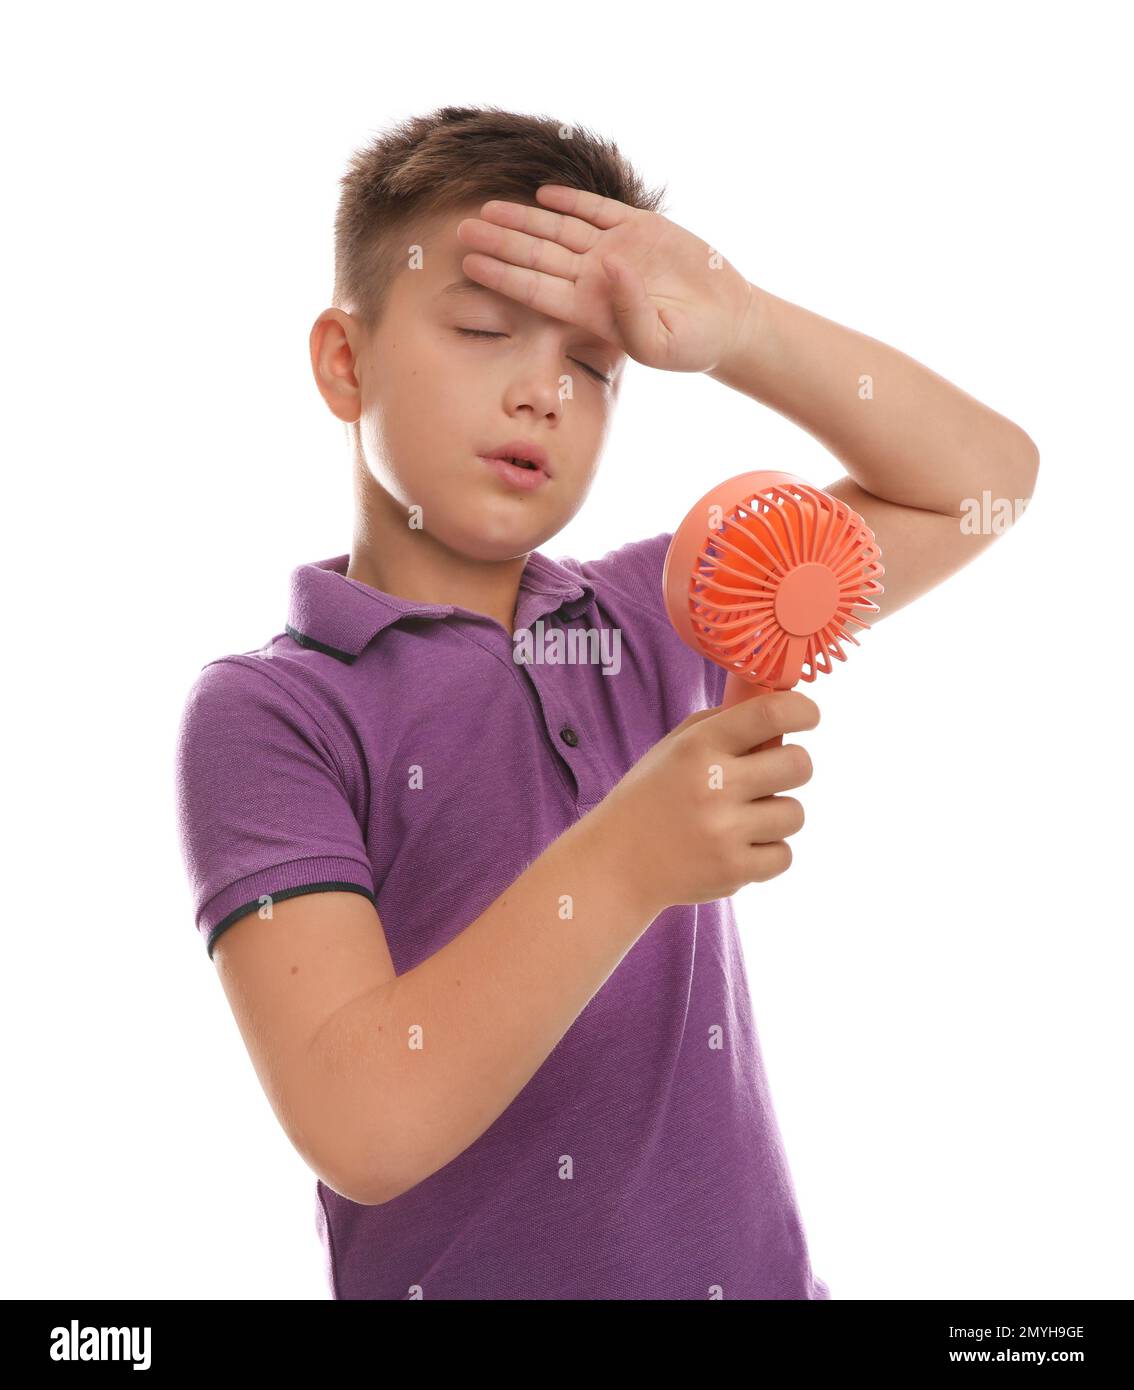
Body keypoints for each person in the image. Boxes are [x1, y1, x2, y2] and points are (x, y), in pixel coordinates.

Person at [173, 104, 1039, 1300]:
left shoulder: (659, 609)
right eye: (483, 329)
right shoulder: (272, 712)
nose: (545, 393)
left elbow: (981, 488)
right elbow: (363, 1124)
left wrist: (742, 324)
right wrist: (626, 859)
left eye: (591, 364)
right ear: (345, 361)